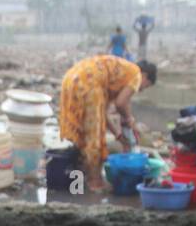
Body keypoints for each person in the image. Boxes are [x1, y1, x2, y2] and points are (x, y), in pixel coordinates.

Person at [58, 54, 157, 194]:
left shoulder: (120, 75)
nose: (140, 90)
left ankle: (78, 182)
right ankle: (95, 182)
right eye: (145, 87)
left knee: (84, 134)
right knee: (94, 138)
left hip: (71, 78)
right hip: (87, 83)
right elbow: (121, 103)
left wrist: (118, 135)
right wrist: (129, 119)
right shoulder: (136, 74)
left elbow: (102, 114)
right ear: (145, 76)